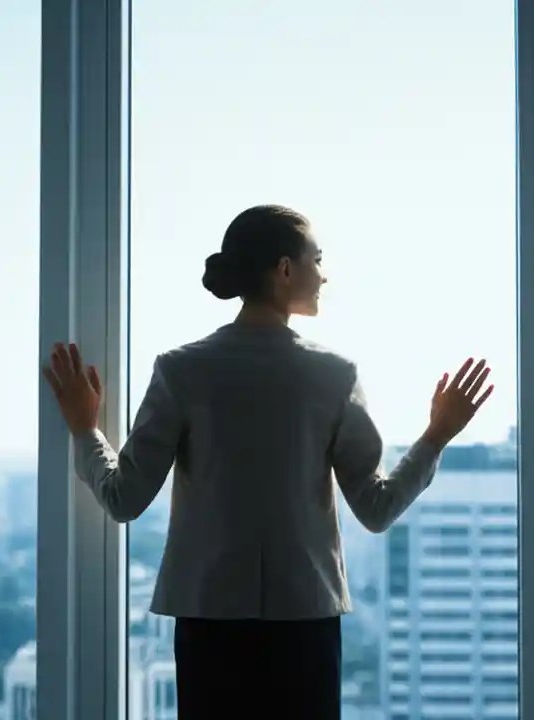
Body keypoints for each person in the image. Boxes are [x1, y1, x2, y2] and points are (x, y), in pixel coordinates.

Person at [42, 204, 493, 719]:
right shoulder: (333, 376)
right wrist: (437, 434)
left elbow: (123, 498)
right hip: (305, 629)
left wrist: (84, 428)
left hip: (209, 625)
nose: (324, 275)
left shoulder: (181, 370)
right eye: (316, 260)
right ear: (284, 270)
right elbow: (377, 507)